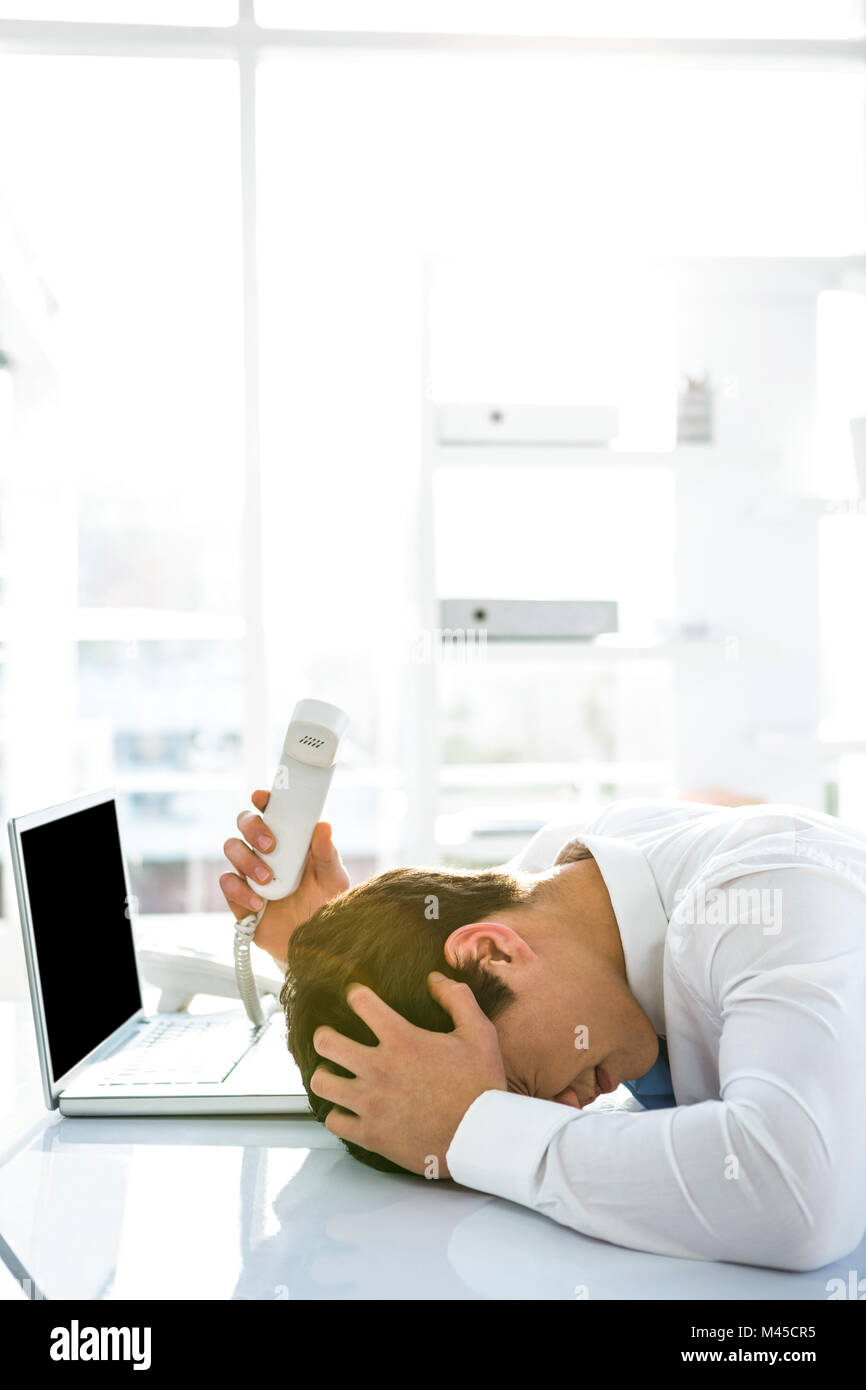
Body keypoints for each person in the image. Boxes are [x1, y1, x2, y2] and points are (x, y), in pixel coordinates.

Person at [221, 792, 866, 1271]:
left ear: (493, 954)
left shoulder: (767, 894)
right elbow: (433, 960)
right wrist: (327, 948)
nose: (562, 1111)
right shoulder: (556, 893)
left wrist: (473, 1126)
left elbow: (798, 1193)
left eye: (520, 1087)